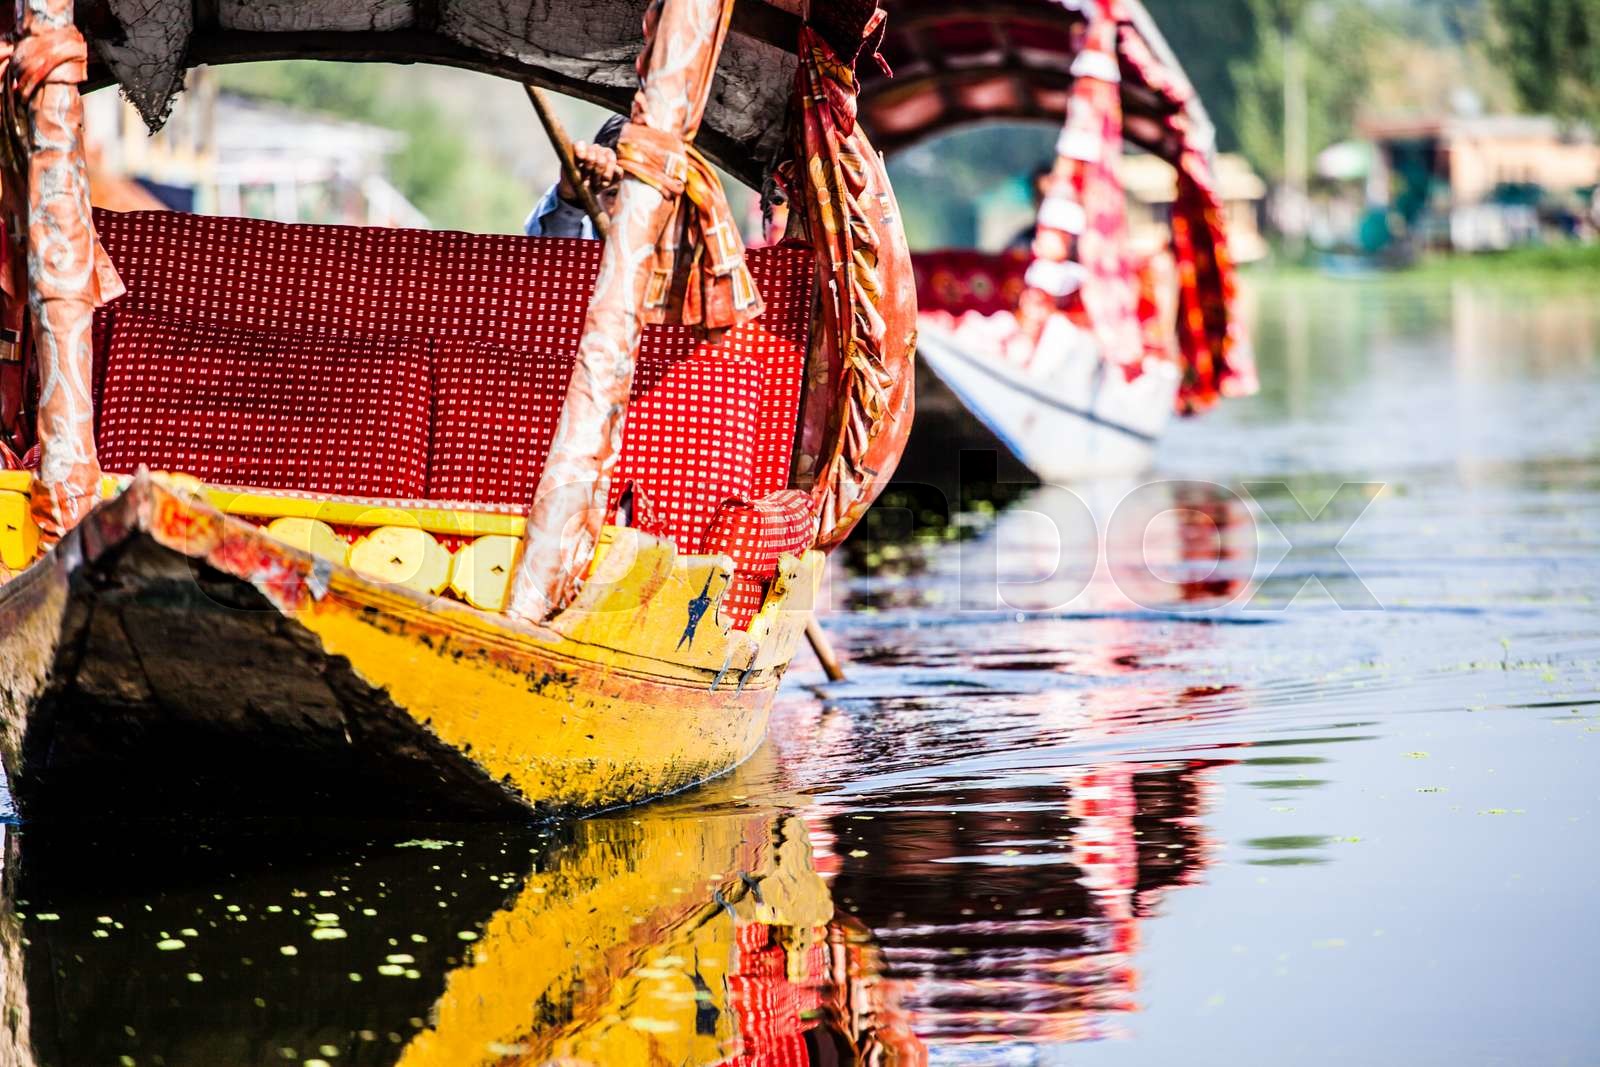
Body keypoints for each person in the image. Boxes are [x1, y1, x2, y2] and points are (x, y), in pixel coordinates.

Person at [523, 114, 626, 238]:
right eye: (613, 193)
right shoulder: (585, 236)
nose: (632, 210)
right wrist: (569, 200)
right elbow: (550, 248)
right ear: (596, 197)